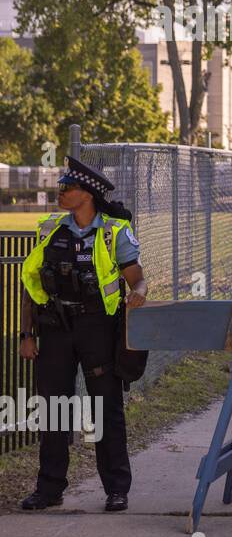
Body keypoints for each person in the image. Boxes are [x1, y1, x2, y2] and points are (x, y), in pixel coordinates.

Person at [18, 157, 147, 512]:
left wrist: (140, 291)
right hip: (55, 328)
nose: (60, 193)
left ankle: (116, 489)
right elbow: (31, 284)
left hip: (97, 330)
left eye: (67, 188)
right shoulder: (49, 230)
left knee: (106, 409)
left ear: (87, 195)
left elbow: (136, 276)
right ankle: (49, 489)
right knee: (53, 408)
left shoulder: (114, 232)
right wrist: (25, 335)